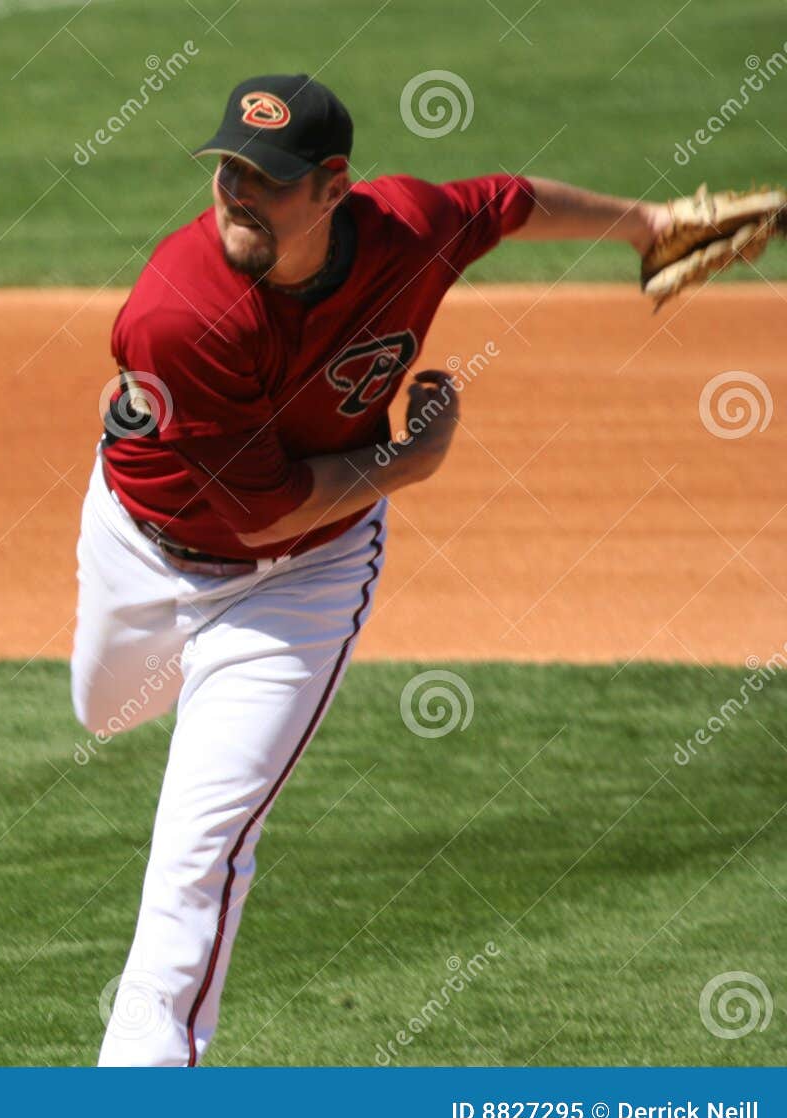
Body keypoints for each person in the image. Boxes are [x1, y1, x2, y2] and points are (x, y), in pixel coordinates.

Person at [74, 73, 672, 1066]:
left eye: (263, 179)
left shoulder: (404, 225)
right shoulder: (177, 312)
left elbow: (510, 202)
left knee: (200, 853)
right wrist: (411, 460)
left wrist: (647, 222)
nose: (235, 195)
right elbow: (258, 500)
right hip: (140, 542)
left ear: (330, 186)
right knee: (105, 710)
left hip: (299, 581)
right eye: (226, 170)